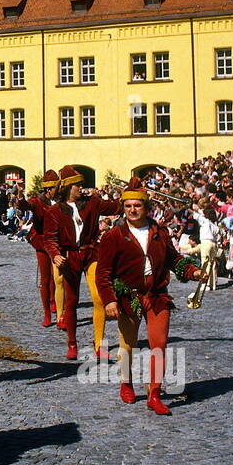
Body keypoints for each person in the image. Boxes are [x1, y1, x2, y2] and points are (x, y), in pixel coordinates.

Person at [95, 178, 203, 415]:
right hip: (127, 296)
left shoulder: (159, 232)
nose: (132, 210)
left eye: (137, 206)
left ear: (146, 207)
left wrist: (192, 271)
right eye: (128, 206)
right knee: (128, 344)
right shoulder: (114, 235)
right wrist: (110, 300)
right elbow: (102, 273)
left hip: (156, 296)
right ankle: (126, 382)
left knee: (159, 344)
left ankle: (154, 393)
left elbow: (173, 259)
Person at [43, 167, 121, 361]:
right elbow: (49, 238)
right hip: (69, 257)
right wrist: (55, 255)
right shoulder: (54, 211)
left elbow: (116, 207)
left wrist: (133, 198)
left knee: (99, 297)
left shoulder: (92, 203)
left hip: (92, 253)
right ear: (69, 186)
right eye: (78, 185)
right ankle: (72, 342)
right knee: (72, 301)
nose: (81, 188)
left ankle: (99, 344)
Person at [18, 171, 61, 327]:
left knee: (56, 277)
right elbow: (23, 206)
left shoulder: (60, 202)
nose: (59, 189)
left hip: (57, 243)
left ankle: (54, 301)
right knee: (45, 277)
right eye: (56, 187)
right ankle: (47, 313)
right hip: (42, 242)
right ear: (49, 189)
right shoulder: (37, 201)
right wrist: (20, 192)